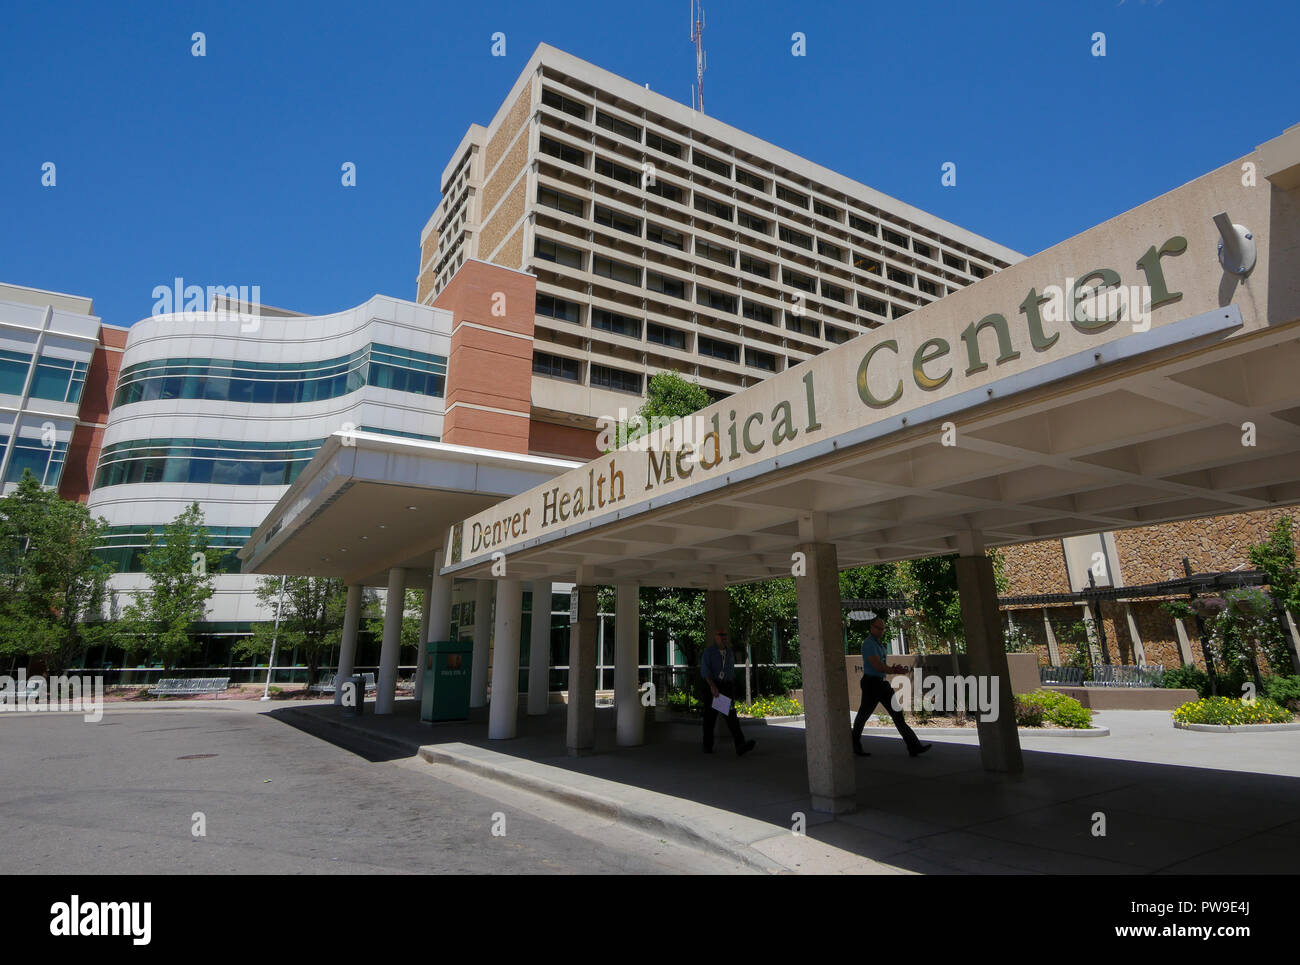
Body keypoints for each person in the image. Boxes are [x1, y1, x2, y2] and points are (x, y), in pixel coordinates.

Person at [851, 611, 931, 758]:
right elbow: (877, 666)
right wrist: (894, 670)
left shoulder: (879, 644)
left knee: (897, 714)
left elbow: (882, 666)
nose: (881, 631)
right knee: (864, 714)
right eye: (878, 628)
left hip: (880, 683)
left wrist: (892, 669)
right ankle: (853, 743)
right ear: (871, 627)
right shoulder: (868, 644)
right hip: (872, 683)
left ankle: (914, 746)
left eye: (883, 629)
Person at [700, 630, 756, 756]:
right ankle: (707, 746)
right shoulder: (709, 652)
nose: (724, 638)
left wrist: (731, 686)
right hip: (713, 687)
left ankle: (740, 745)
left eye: (725, 635)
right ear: (716, 637)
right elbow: (705, 671)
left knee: (731, 716)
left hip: (726, 686)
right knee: (710, 718)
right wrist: (713, 686)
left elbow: (730, 670)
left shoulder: (729, 652)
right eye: (721, 635)